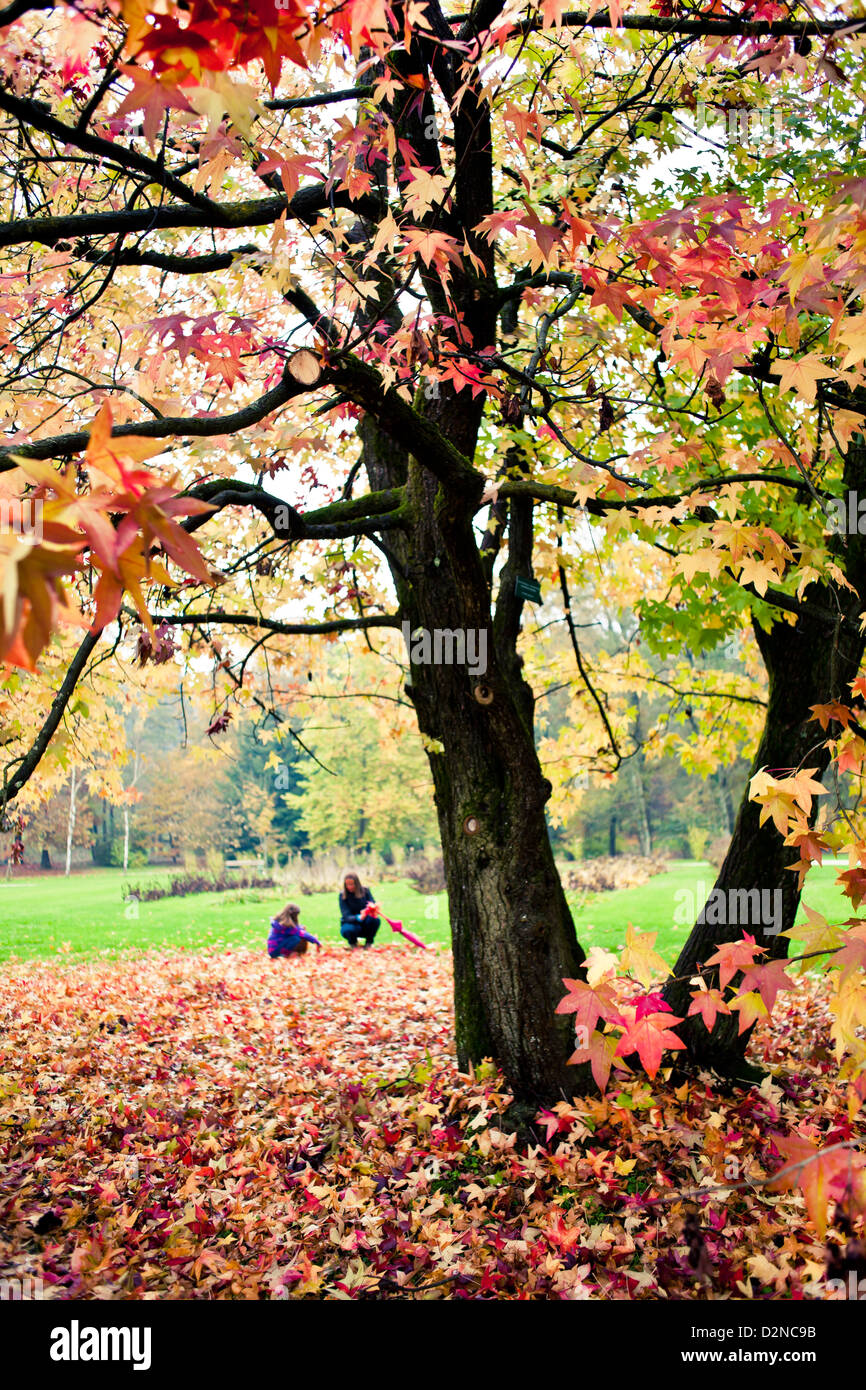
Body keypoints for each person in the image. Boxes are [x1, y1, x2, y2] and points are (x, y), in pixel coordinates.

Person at [339, 871, 381, 948]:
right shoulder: (342, 895)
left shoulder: (365, 891)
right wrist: (359, 917)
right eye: (347, 884)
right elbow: (346, 915)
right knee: (348, 930)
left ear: (357, 884)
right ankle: (353, 943)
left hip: (366, 923)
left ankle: (369, 942)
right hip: (351, 922)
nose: (349, 887)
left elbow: (371, 903)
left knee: (375, 920)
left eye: (352, 884)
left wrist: (372, 908)